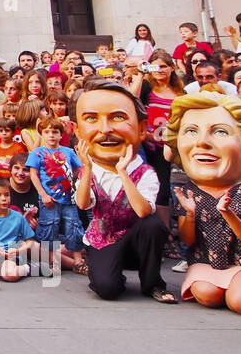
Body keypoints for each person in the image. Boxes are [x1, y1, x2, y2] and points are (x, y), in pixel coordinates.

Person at [166, 92, 241, 315]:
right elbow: (188, 240)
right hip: (205, 261)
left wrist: (227, 212)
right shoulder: (188, 192)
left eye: (219, 131)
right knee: (207, 295)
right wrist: (188, 214)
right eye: (191, 131)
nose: (202, 141)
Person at [74, 78, 176, 302]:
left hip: (137, 239)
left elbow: (142, 211)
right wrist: (87, 168)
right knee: (106, 289)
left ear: (141, 129)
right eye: (91, 119)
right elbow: (82, 204)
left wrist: (123, 172)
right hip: (105, 238)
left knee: (153, 224)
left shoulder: (145, 172)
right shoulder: (87, 172)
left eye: (117, 117)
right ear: (79, 132)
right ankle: (111, 274)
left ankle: (153, 283)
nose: (105, 129)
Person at [27, 116, 86, 274]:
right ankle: (52, 260)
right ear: (42, 135)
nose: (51, 135)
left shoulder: (68, 151)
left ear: (61, 135)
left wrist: (72, 182)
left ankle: (78, 261)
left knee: (74, 226)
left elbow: (78, 169)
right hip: (49, 199)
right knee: (49, 226)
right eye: (47, 132)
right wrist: (43, 195)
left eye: (55, 132)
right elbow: (33, 175)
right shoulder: (37, 153)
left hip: (69, 198)